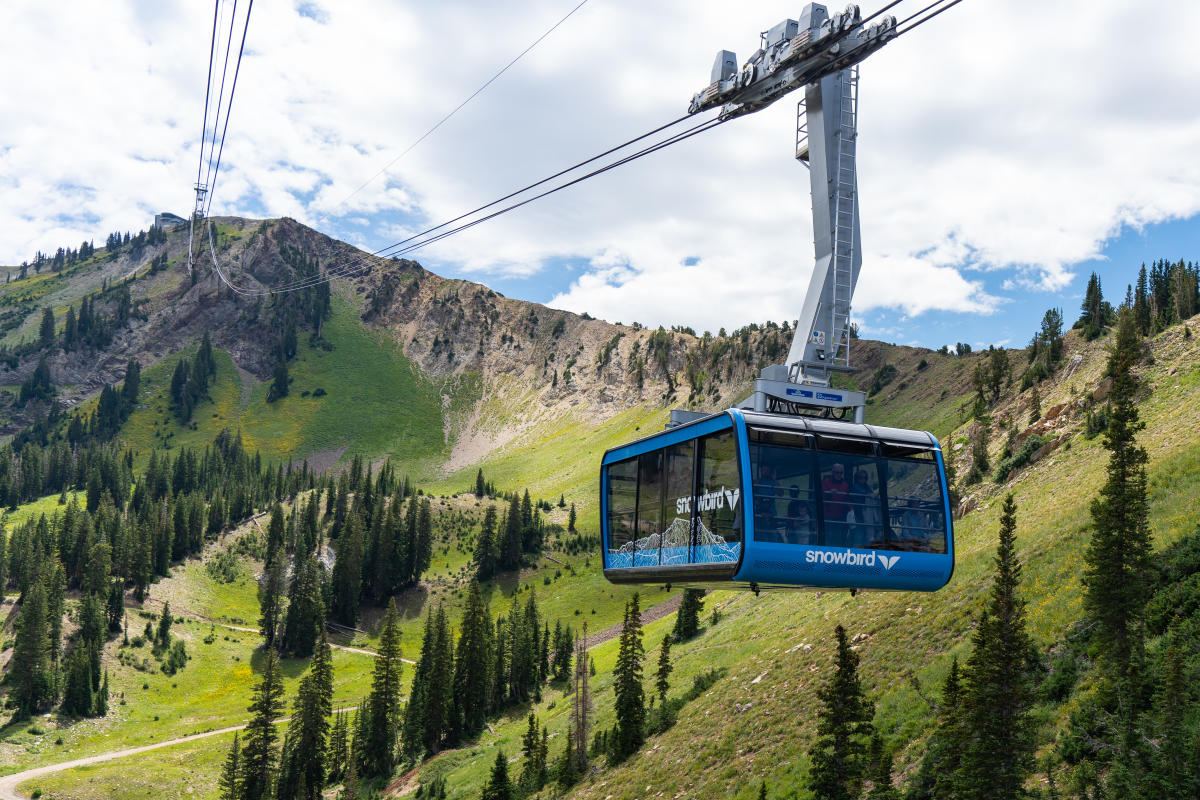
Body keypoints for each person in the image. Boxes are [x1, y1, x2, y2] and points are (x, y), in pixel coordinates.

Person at [821, 462, 850, 545]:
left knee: (838, 538)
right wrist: (829, 492)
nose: (839, 475)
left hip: (840, 516)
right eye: (837, 472)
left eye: (841, 473)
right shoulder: (825, 482)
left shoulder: (845, 484)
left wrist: (851, 510)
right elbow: (821, 496)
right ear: (832, 472)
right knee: (828, 538)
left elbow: (847, 499)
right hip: (828, 516)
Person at [849, 468, 880, 547]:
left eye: (865, 477)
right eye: (861, 477)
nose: (863, 479)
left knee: (867, 534)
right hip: (859, 514)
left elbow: (870, 494)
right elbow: (865, 494)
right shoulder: (855, 487)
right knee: (859, 535)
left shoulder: (866, 486)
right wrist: (870, 495)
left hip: (867, 515)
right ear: (857, 478)